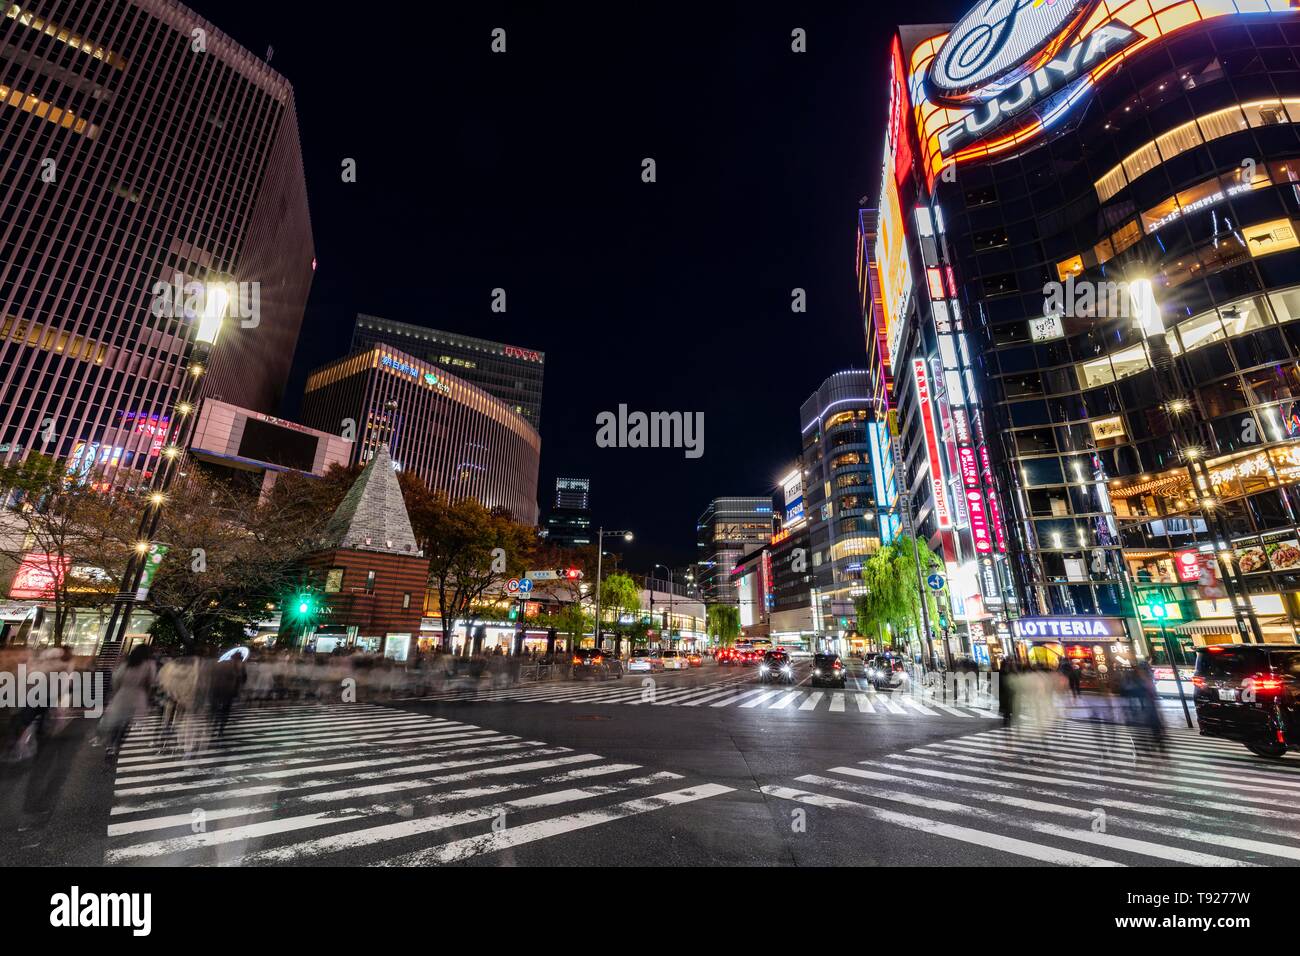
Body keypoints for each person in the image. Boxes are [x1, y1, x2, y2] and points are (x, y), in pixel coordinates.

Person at [100, 644, 156, 760]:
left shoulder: (126, 664)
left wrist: (117, 692)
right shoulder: (149, 665)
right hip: (137, 696)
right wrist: (147, 695)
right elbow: (151, 682)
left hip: (122, 694)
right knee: (125, 724)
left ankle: (110, 745)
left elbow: (116, 680)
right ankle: (116, 745)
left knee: (117, 721)